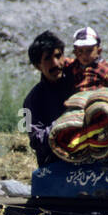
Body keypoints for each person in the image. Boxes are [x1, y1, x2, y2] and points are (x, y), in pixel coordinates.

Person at [22, 30, 78, 167]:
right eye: (48, 59)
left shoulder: (79, 82)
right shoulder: (31, 101)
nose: (56, 63)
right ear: (37, 66)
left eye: (58, 56)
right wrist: (66, 121)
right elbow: (36, 141)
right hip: (56, 165)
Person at [69, 26, 108, 91]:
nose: (84, 55)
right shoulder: (74, 65)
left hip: (96, 98)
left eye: (89, 50)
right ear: (75, 53)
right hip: (77, 98)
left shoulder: (103, 68)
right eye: (80, 51)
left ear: (99, 51)